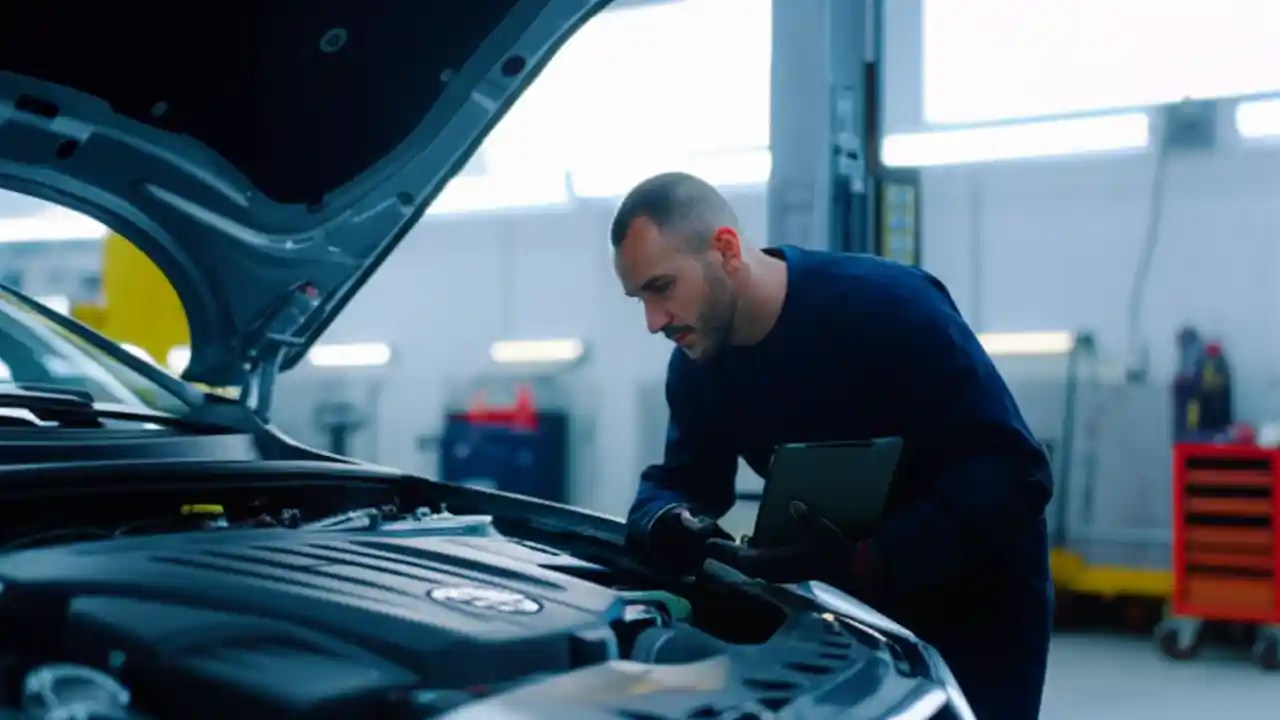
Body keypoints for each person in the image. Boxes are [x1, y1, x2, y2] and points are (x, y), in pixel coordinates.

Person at [610, 171, 1054, 720]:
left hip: (975, 614)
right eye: (639, 300)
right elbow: (684, 480)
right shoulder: (700, 369)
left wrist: (870, 559)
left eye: (662, 287)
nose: (654, 322)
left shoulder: (893, 307)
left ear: (725, 249)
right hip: (842, 620)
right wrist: (668, 520)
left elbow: (1014, 473)